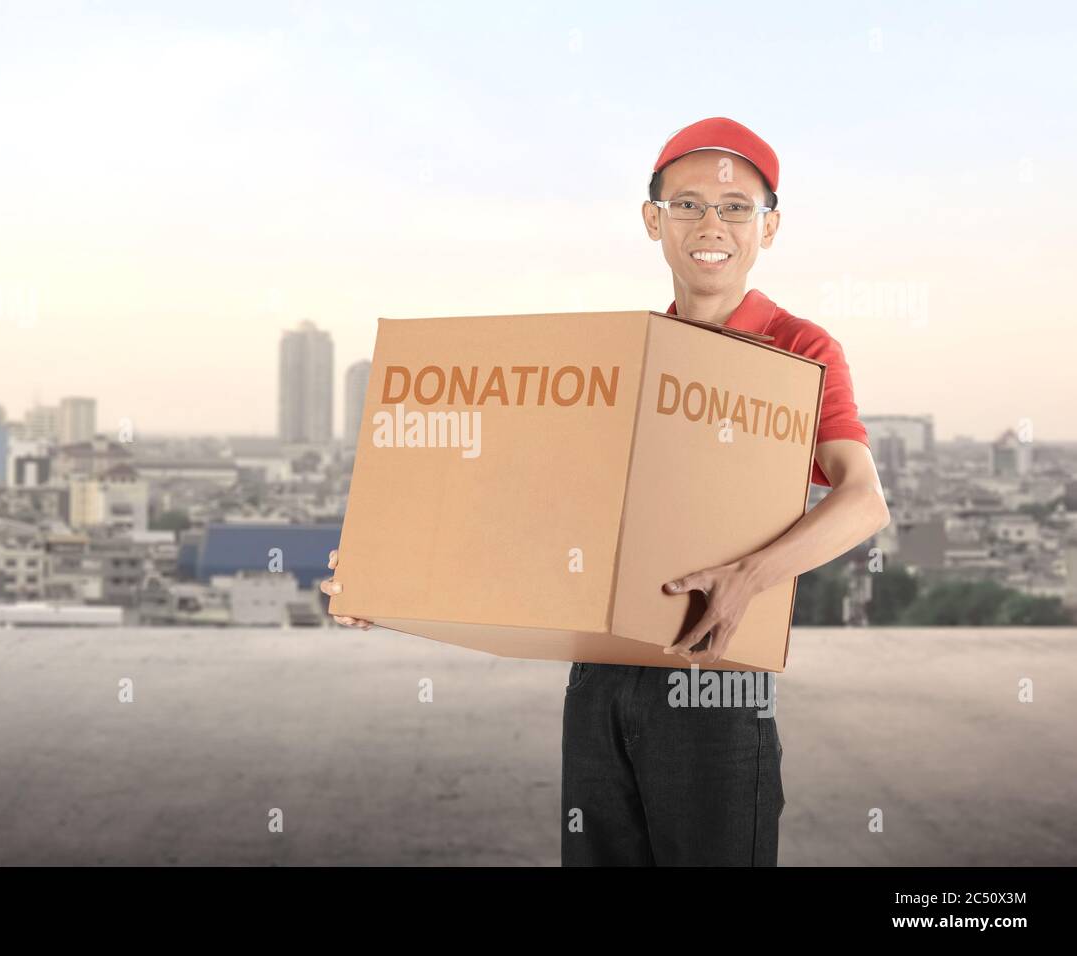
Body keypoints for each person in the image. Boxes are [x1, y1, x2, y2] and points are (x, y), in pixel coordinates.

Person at [322, 117, 890, 865]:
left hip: (711, 678)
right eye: (686, 204)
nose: (710, 223)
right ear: (653, 220)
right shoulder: (625, 357)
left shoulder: (800, 350)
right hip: (597, 680)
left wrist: (744, 578)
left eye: (736, 206)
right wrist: (387, 573)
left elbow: (862, 500)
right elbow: (537, 511)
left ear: (770, 226)